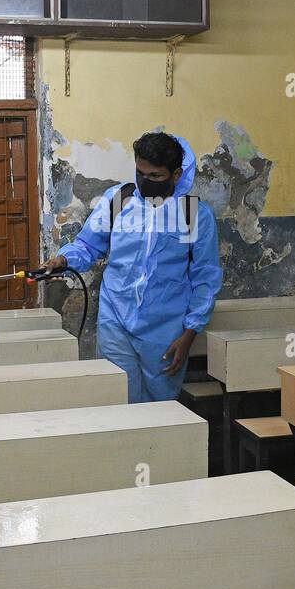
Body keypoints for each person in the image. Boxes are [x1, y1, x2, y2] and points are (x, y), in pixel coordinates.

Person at [41, 131, 222, 403]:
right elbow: (89, 246)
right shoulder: (119, 200)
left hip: (166, 327)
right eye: (140, 173)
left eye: (155, 176)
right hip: (116, 319)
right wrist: (63, 260)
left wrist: (189, 334)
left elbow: (205, 278)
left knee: (161, 405)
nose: (145, 182)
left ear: (175, 175)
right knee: (118, 400)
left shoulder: (193, 214)